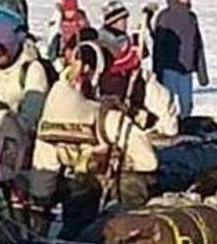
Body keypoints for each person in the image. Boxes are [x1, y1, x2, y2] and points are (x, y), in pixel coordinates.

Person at [26, 41, 158, 231]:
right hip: (113, 188)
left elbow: (44, 168)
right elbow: (146, 158)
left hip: (76, 188)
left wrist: (40, 201)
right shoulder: (103, 116)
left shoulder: (50, 115)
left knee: (77, 204)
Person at [152, 0, 208, 119]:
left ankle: (185, 127)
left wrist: (202, 73)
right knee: (167, 105)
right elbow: (158, 48)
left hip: (186, 71)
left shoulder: (191, 17)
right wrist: (157, 72)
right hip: (169, 69)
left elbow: (198, 45)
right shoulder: (165, 17)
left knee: (187, 104)